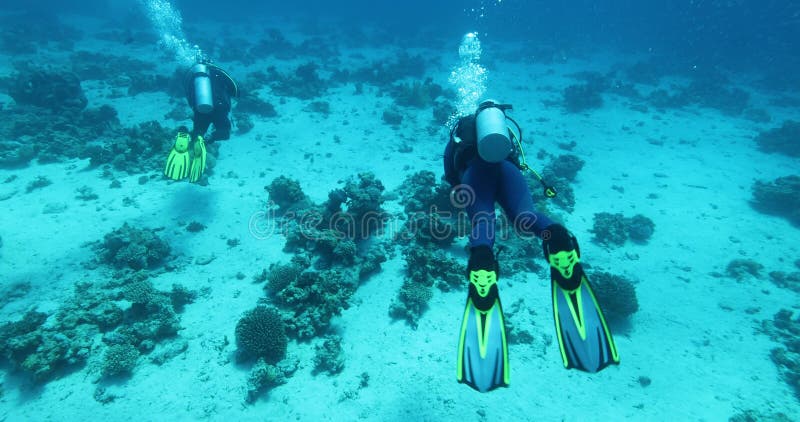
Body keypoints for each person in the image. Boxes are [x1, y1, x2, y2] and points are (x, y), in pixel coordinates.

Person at [448, 100, 619, 393]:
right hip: (509, 173)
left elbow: (451, 172)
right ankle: (559, 241)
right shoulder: (505, 134)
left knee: (484, 224)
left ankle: (482, 266)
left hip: (474, 174)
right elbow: (518, 158)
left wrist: (460, 184)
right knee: (527, 219)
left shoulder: (459, 134)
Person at [164, 60, 238, 182]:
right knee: (224, 132)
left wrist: (196, 108)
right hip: (220, 107)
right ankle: (208, 139)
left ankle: (186, 136)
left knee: (198, 132)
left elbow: (189, 94)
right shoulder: (218, 71)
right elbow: (235, 88)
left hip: (200, 109)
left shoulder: (193, 74)